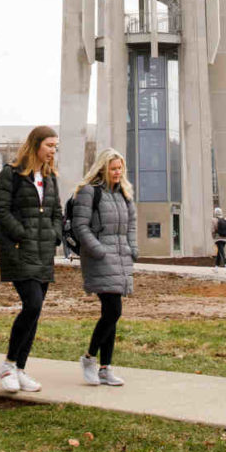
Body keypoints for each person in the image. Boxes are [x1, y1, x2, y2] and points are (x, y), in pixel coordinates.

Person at [0, 125, 62, 393]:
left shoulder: (51, 177)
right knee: (32, 305)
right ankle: (8, 366)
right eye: (49, 146)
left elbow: (57, 211)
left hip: (44, 253)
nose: (53, 151)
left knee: (36, 311)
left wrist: (55, 234)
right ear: (35, 145)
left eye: (56, 146)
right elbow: (1, 210)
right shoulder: (10, 174)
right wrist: (22, 234)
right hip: (20, 251)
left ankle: (20, 369)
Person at [72, 148, 138, 387]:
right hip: (100, 258)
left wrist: (132, 247)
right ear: (103, 169)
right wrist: (99, 250)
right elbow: (81, 226)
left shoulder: (124, 195)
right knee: (113, 311)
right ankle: (89, 358)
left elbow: (131, 225)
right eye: (113, 168)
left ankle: (105, 368)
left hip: (120, 258)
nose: (117, 172)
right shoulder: (90, 192)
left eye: (120, 168)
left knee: (111, 315)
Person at [211, 207, 226, 274]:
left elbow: (213, 230)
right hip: (225, 238)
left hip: (218, 238)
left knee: (222, 253)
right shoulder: (224, 219)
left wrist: (214, 238)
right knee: (219, 252)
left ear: (215, 212)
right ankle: (216, 268)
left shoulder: (214, 220)